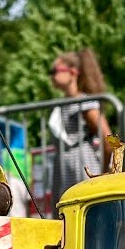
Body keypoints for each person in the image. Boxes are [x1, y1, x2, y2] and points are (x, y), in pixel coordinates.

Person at [48, 49, 115, 201]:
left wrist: (104, 173)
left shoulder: (84, 102)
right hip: (64, 167)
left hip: (81, 164)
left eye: (55, 71)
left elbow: (107, 139)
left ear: (73, 72)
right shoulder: (63, 102)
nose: (51, 75)